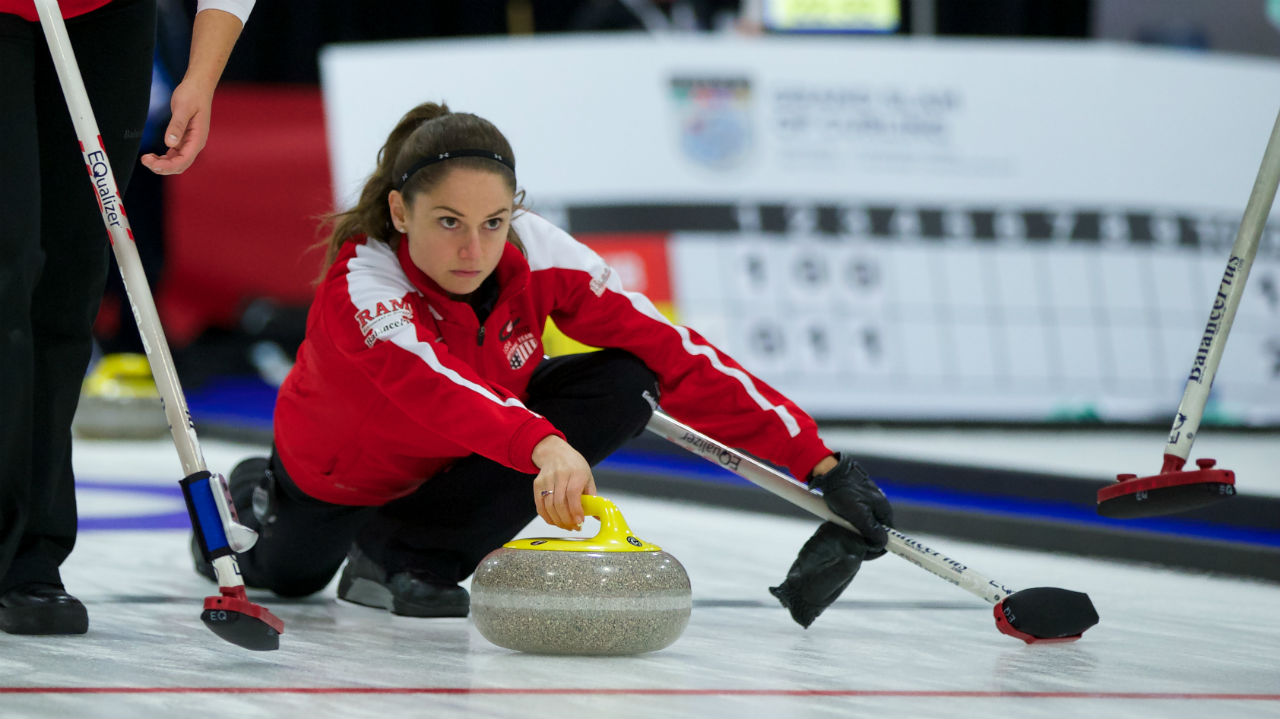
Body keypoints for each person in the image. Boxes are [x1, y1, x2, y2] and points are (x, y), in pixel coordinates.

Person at [201, 101, 893, 628]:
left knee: (627, 382)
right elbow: (439, 387)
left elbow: (674, 350)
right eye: (448, 221)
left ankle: (407, 558)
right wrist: (544, 443)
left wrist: (820, 463)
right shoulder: (363, 284)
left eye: (494, 221)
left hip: (464, 456)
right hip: (342, 476)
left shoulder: (538, 252)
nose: (475, 249)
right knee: (287, 577)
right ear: (400, 212)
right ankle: (255, 492)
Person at [0, 0, 253, 636]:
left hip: (106, 17)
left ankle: (32, 556)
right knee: (6, 265)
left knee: (70, 277)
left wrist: (201, 76)